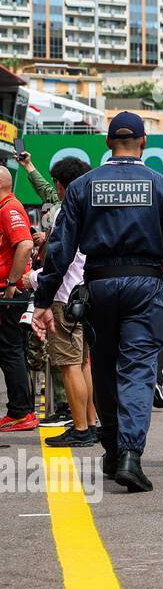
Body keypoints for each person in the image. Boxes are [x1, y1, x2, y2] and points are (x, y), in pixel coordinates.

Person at [32, 112, 163, 492]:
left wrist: (44, 299)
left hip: (99, 284)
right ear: (144, 143)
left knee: (105, 367)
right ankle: (129, 455)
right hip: (146, 285)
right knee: (139, 369)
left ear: (108, 143)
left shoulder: (81, 187)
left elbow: (59, 250)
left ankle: (111, 447)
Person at [29, 157, 99, 448]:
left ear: (60, 185)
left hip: (64, 296)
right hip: (86, 294)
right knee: (84, 363)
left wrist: (34, 280)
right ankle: (91, 424)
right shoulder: (93, 209)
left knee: (69, 365)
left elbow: (59, 259)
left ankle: (80, 428)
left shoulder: (65, 212)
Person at [0, 165, 36, 432]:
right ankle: (22, 410)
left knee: (10, 351)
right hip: (10, 291)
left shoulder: (8, 208)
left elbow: (25, 244)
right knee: (13, 352)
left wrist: (11, 284)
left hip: (9, 293)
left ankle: (20, 412)